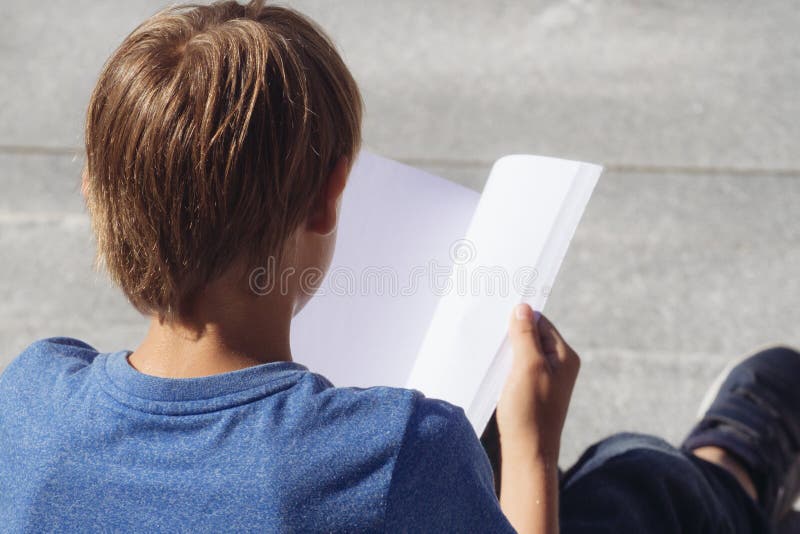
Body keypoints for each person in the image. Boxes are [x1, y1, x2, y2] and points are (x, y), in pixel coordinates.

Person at [0, 1, 797, 532]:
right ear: (328, 198)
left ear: (94, 192)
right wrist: (530, 447)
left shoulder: (29, 405)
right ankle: (731, 470)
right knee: (631, 483)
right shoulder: (396, 451)